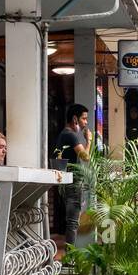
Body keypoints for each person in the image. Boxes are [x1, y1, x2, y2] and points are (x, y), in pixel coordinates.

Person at [53, 104, 92, 244]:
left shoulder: (66, 134)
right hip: (73, 182)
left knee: (72, 221)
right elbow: (85, 157)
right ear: (75, 119)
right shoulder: (70, 135)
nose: (86, 122)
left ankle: (71, 255)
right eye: (84, 119)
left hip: (68, 181)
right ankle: (71, 258)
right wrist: (89, 141)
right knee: (73, 222)